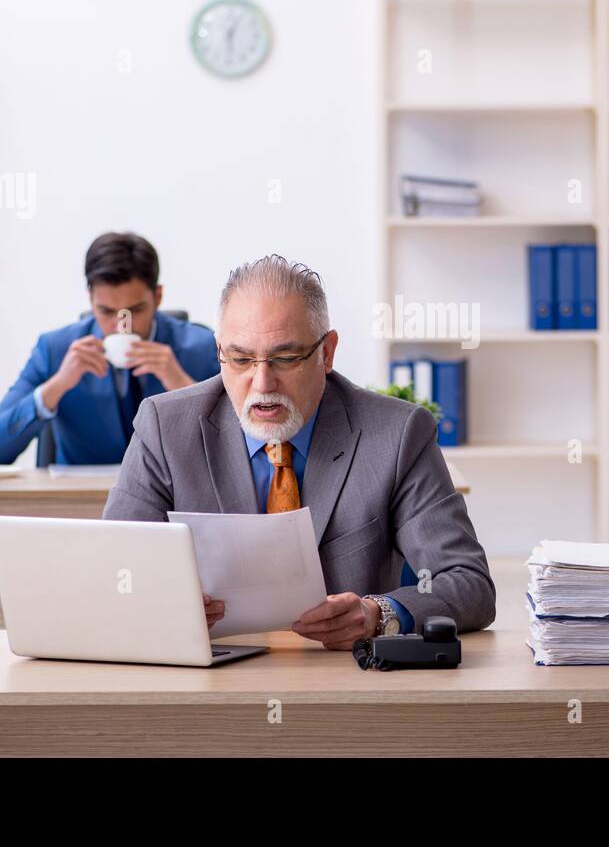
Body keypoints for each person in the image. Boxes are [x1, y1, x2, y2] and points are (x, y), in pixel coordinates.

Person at [102, 254, 496, 649]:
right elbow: (115, 575)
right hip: (207, 678)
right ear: (220, 351)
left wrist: (380, 613)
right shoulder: (164, 426)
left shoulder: (397, 434)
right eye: (240, 359)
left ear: (327, 353)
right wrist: (162, 601)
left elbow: (468, 582)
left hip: (344, 685)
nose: (261, 383)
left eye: (285, 358)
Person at [0, 232, 219, 465]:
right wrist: (55, 387)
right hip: (82, 499)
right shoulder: (54, 350)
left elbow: (240, 451)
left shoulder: (203, 348)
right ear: (90, 300)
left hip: (174, 500)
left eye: (135, 311)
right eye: (107, 312)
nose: (121, 326)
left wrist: (185, 388)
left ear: (158, 297)